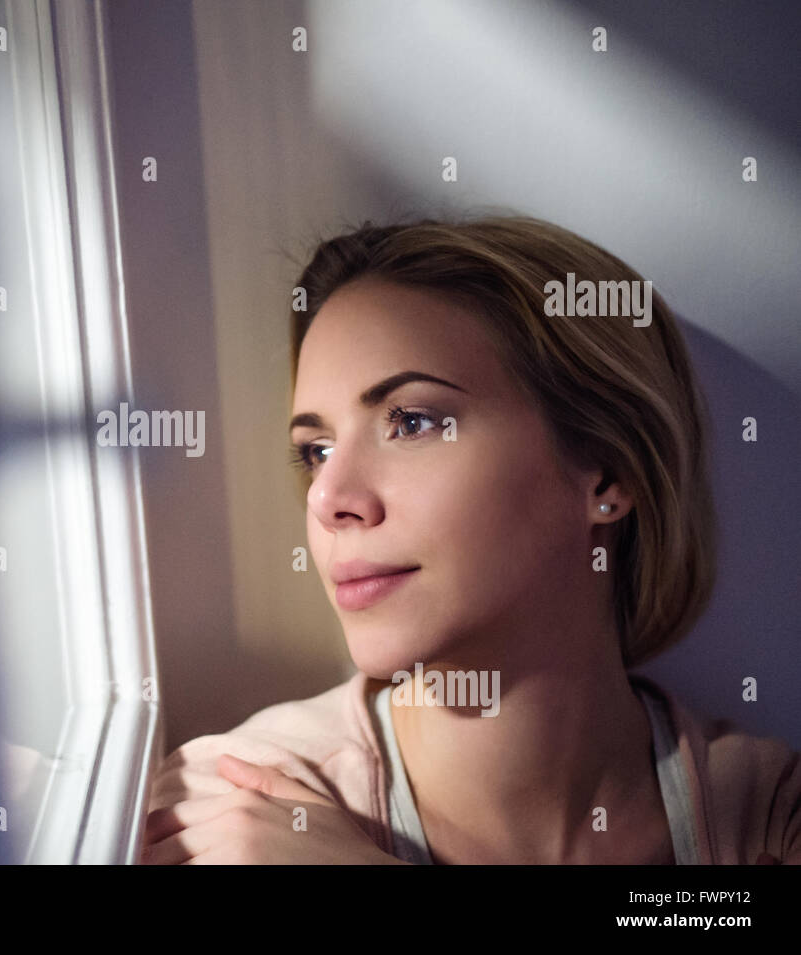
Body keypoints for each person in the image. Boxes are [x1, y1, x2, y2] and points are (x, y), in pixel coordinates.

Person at [141, 216, 800, 865]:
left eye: (413, 421)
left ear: (607, 473)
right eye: (315, 449)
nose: (328, 498)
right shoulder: (235, 810)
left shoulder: (768, 811)